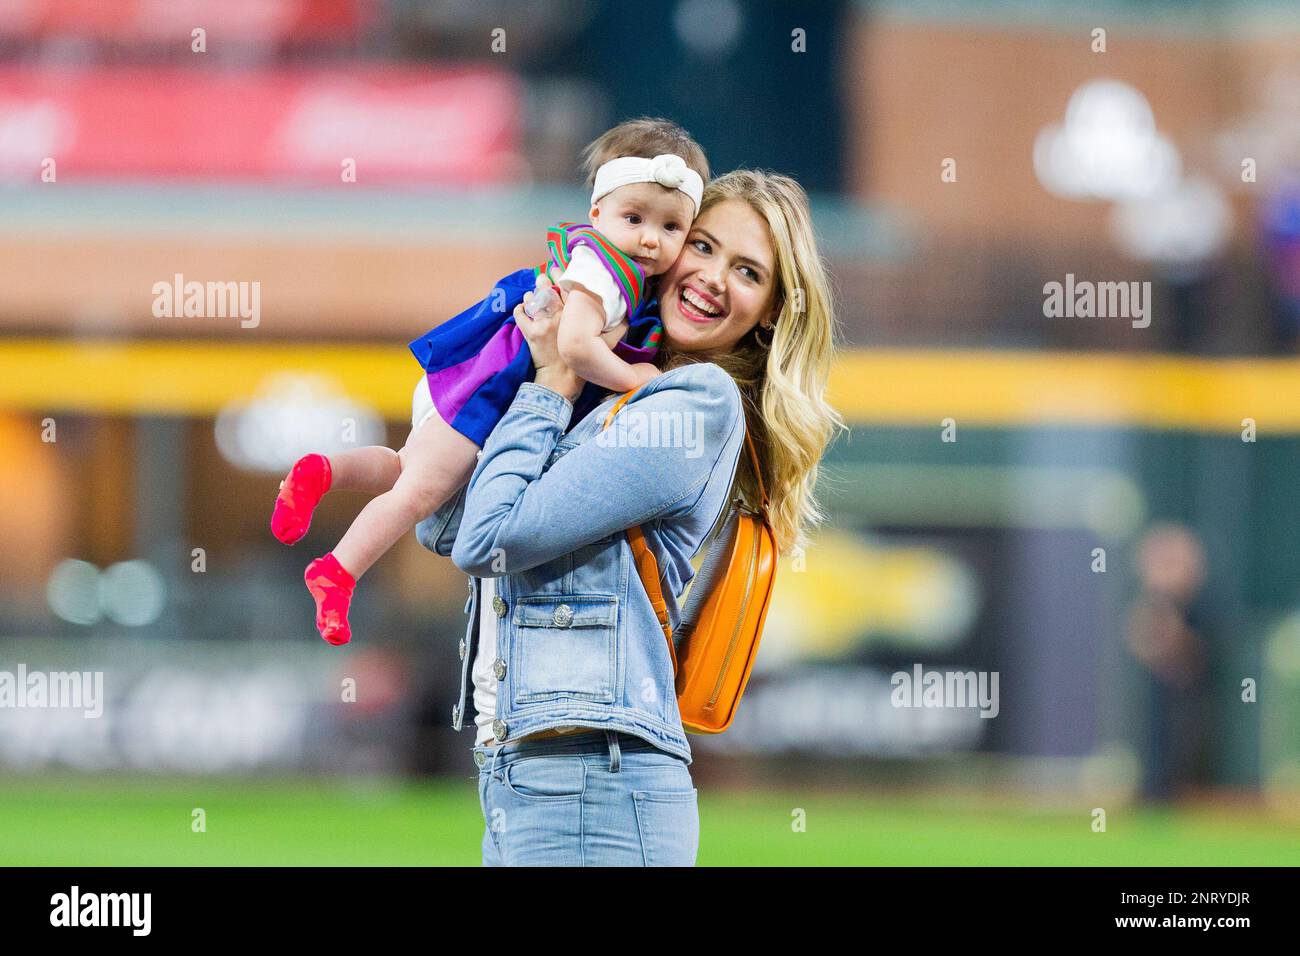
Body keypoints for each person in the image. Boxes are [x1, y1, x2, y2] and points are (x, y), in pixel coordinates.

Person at [417, 169, 846, 865]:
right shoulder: (616, 392)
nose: (710, 277)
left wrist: (552, 378)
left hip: (595, 780)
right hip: (529, 773)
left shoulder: (696, 404)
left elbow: (490, 539)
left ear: (770, 309)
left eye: (746, 271)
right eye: (702, 246)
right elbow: (440, 523)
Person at [267, 118, 709, 646]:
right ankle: (337, 572)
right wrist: (632, 376)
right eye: (634, 217)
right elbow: (573, 347)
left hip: (471, 382)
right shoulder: (604, 274)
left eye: (670, 228)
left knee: (409, 471)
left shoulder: (613, 267)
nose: (649, 239)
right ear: (597, 212)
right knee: (419, 493)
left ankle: (322, 472)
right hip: (489, 390)